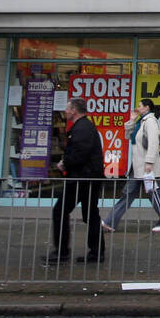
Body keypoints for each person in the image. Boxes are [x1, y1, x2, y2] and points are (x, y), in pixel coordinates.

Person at [45, 97, 106, 265]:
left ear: (74, 110)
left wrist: (64, 163)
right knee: (90, 214)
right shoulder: (83, 127)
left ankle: (63, 251)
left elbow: (80, 153)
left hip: (82, 179)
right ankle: (96, 252)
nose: (65, 111)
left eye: (68, 108)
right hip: (87, 178)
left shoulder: (81, 129)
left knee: (61, 211)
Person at [101, 98, 160, 234]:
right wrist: (132, 120)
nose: (137, 108)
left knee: (153, 193)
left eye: (140, 106)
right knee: (128, 194)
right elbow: (128, 136)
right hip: (138, 166)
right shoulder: (141, 121)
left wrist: (149, 162)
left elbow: (153, 142)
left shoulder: (150, 121)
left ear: (147, 108)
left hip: (145, 166)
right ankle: (110, 222)